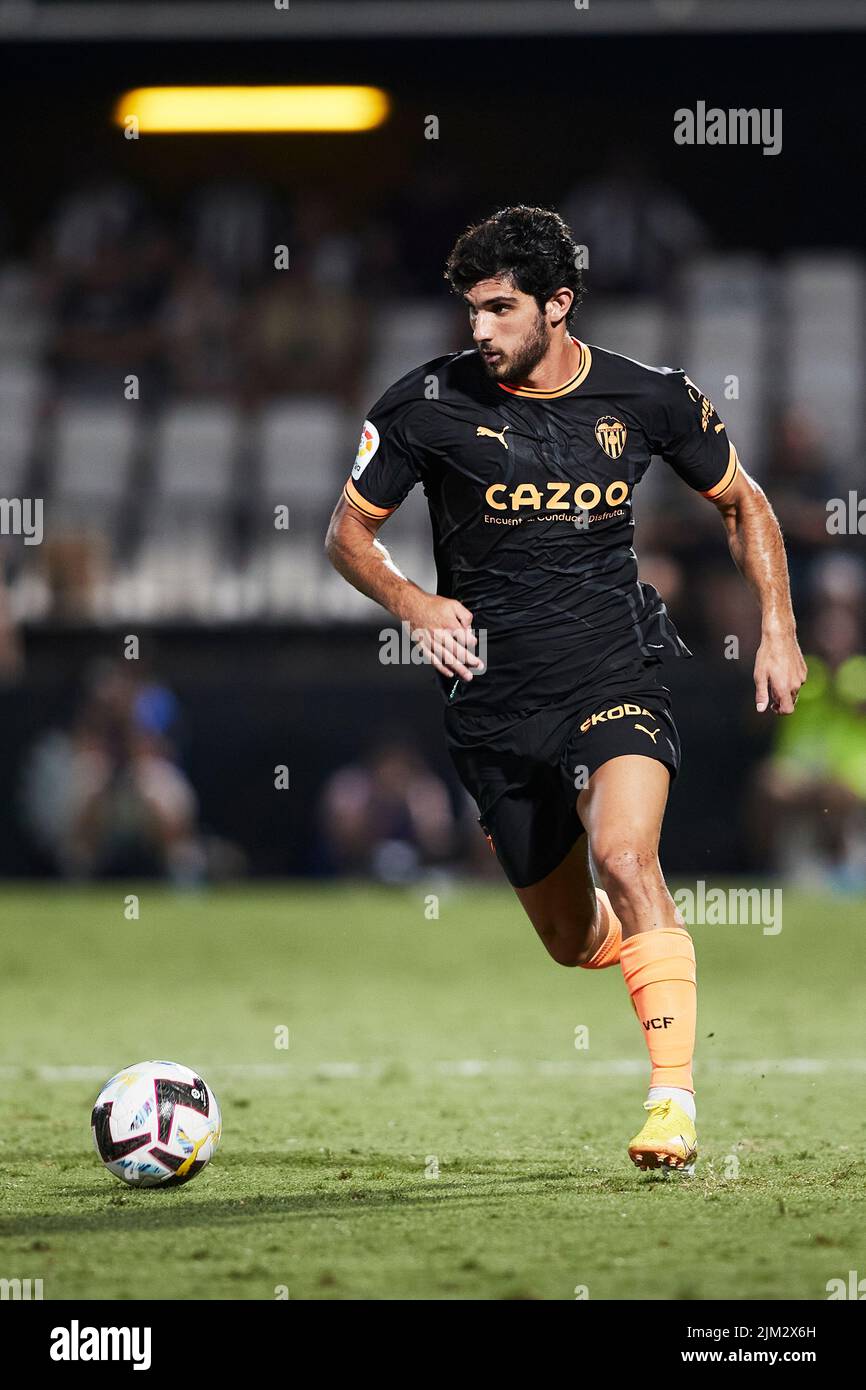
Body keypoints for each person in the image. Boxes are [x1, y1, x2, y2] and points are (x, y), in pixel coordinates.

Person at [325, 206, 807, 1175]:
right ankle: (642, 953)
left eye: (500, 308)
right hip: (493, 701)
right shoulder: (423, 405)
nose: (479, 329)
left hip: (610, 670)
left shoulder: (649, 398)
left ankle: (670, 1099)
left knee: (626, 856)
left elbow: (741, 501)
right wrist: (415, 603)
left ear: (558, 303)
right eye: (470, 309)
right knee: (568, 937)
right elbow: (345, 534)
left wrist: (777, 628)